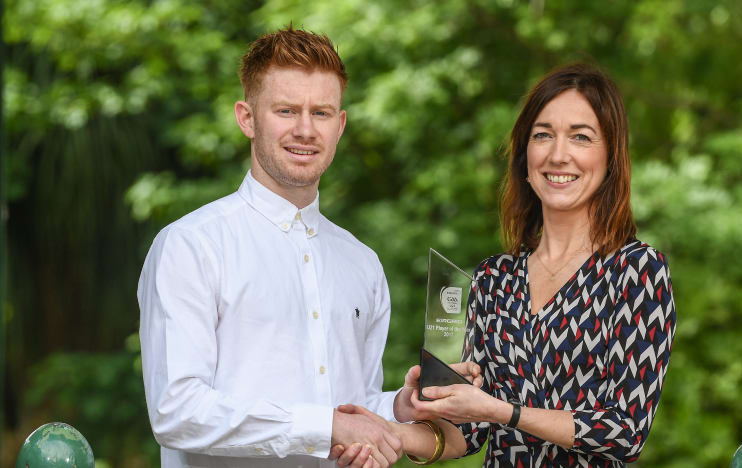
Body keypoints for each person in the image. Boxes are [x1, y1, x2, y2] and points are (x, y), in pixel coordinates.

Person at [333, 63, 677, 467]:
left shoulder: (637, 271)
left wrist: (499, 410)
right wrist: (392, 426)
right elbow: (466, 435)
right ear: (524, 155)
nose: (558, 154)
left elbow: (625, 431)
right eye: (542, 135)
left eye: (581, 137)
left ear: (610, 156)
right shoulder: (494, 279)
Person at [138, 25, 404, 468]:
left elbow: (353, 410)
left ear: (339, 126)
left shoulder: (363, 263)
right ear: (247, 118)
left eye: (321, 113)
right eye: (286, 110)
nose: (305, 129)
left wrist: (395, 410)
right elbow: (176, 410)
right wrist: (327, 428)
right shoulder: (191, 246)